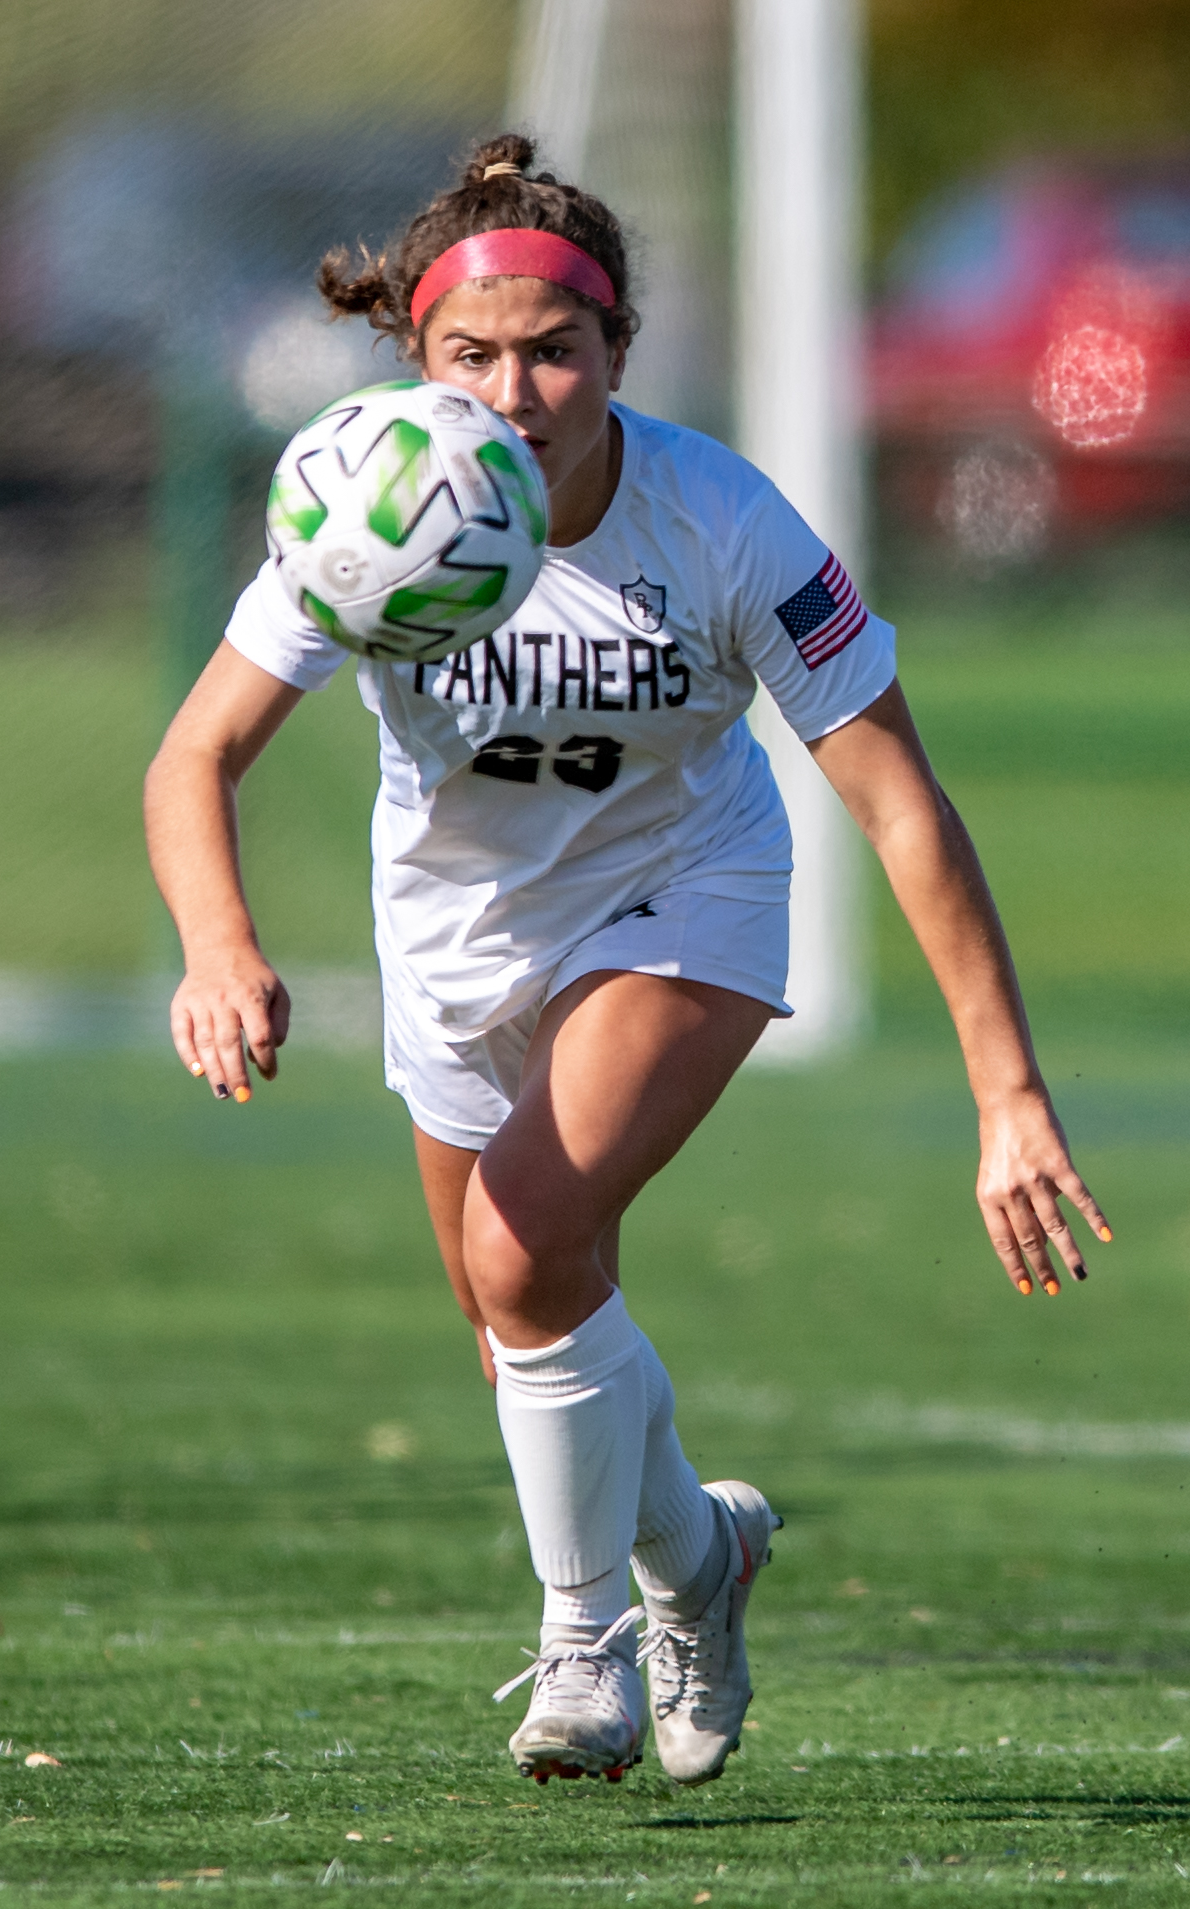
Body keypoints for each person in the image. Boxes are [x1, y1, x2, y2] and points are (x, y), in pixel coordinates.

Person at [143, 133, 1110, 1790]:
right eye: (471, 354)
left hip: (689, 890)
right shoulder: (374, 498)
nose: (514, 390)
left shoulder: (721, 519)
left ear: (617, 354)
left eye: (553, 350)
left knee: (524, 1250)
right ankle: (700, 1561)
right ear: (415, 360)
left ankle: (580, 1646)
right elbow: (192, 758)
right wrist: (217, 948)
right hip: (453, 928)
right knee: (525, 1315)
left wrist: (1005, 1091)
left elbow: (895, 803)